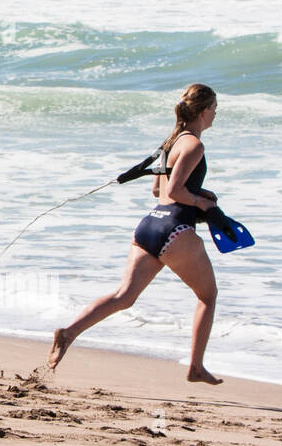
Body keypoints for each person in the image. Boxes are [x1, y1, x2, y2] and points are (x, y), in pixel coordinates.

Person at [48, 83, 223, 385]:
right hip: (177, 230)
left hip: (151, 225)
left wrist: (195, 194)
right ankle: (195, 366)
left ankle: (69, 332)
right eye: (215, 109)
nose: (216, 114)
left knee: (124, 296)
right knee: (208, 297)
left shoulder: (171, 142)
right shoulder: (194, 144)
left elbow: (159, 189)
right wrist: (201, 202)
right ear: (204, 111)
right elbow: (179, 190)